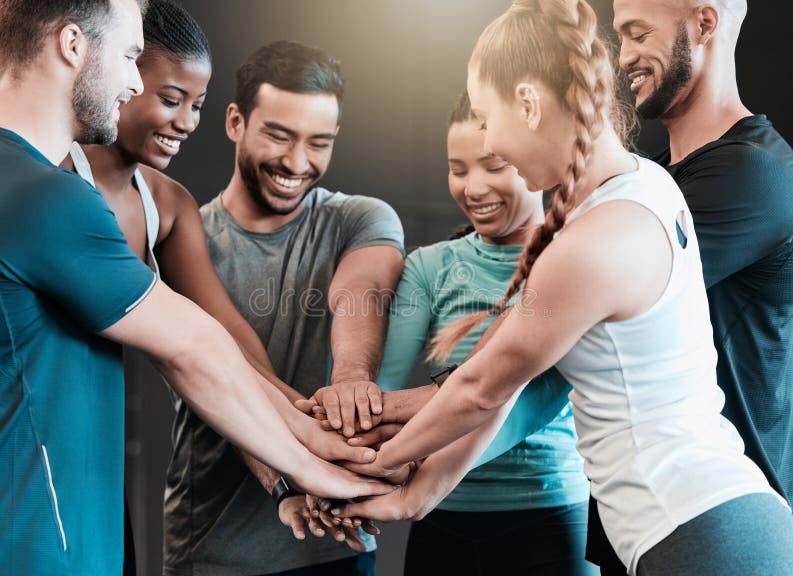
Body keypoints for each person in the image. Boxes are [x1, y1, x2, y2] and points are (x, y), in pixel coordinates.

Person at [331, 1, 793, 575]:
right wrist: (419, 491)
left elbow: (480, 386)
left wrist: (382, 465)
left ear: (528, 103)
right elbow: (501, 388)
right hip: (724, 524)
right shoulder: (647, 185)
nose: (491, 144)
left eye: (486, 115)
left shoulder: (594, 243)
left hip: (704, 534)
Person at [0, 2, 389, 574]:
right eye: (130, 58)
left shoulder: (145, 202)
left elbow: (217, 346)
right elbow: (191, 351)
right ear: (74, 46)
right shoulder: (47, 194)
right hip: (45, 534)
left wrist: (294, 465)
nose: (132, 80)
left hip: (82, 513)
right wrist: (314, 465)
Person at [161, 41, 405, 576]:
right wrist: (288, 480)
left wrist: (351, 379)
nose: (297, 163)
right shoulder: (181, 239)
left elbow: (361, 292)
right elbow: (214, 382)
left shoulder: (361, 219)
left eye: (319, 143)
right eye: (279, 135)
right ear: (234, 121)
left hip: (338, 543)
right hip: (213, 549)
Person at [577, 1, 793, 572]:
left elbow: (569, 323)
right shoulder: (649, 184)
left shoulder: (753, 173)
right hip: (642, 523)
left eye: (637, 33)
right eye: (618, 36)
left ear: (704, 24)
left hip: (726, 525)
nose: (623, 56)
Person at [373, 90, 595, 575]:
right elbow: (381, 390)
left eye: (494, 165)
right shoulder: (430, 267)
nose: (473, 187)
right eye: (458, 169)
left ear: (530, 159)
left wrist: (409, 468)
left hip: (551, 517)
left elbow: (526, 399)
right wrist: (349, 470)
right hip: (441, 523)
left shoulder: (574, 260)